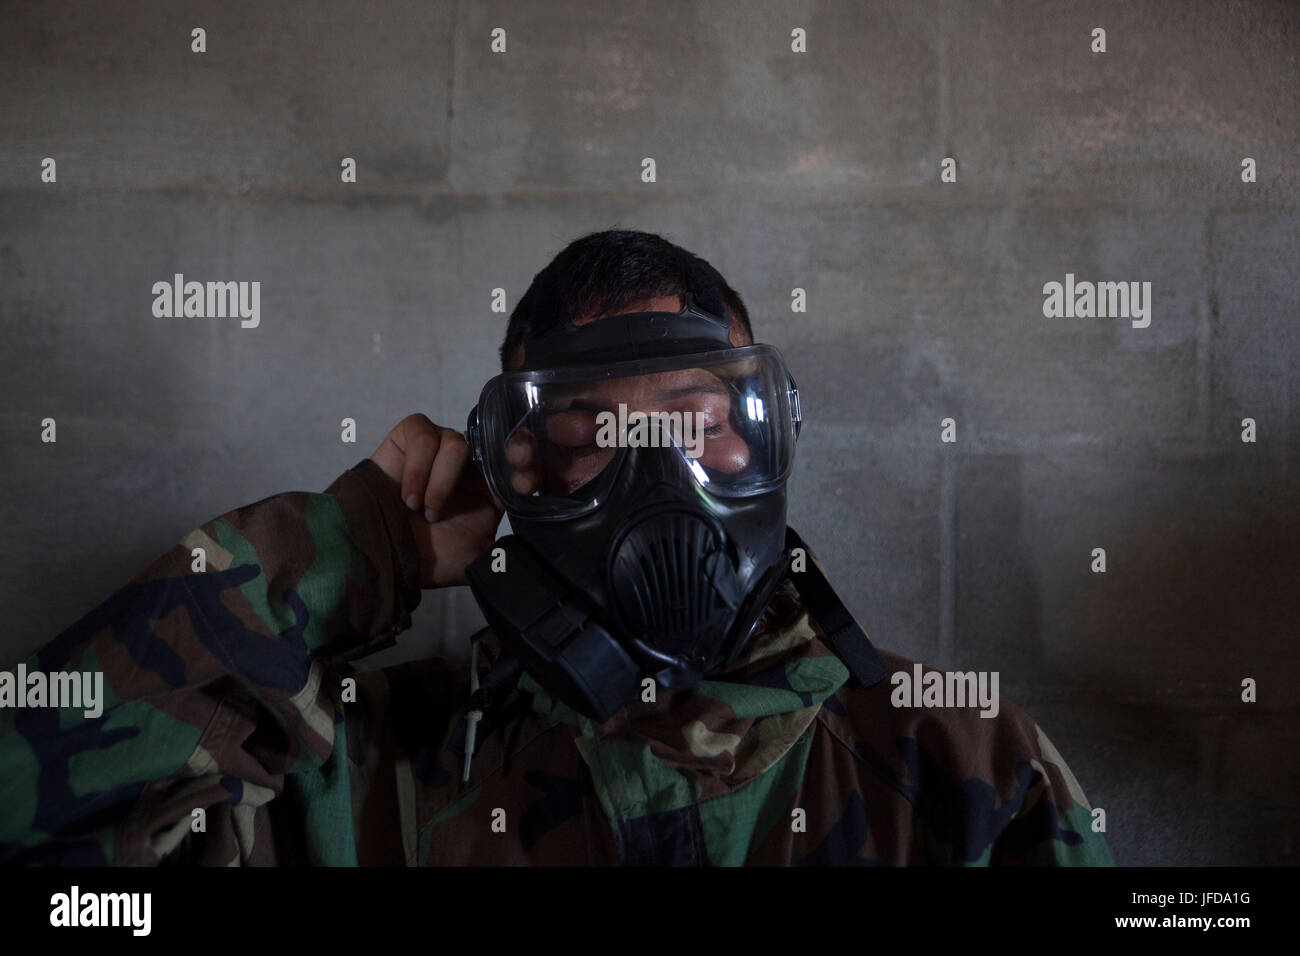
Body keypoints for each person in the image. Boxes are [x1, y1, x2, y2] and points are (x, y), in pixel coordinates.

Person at [0, 230, 1113, 866]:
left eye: (696, 418)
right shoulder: (358, 774)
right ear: (511, 471)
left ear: (768, 437)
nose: (653, 472)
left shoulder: (956, 756)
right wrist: (351, 550)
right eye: (591, 435)